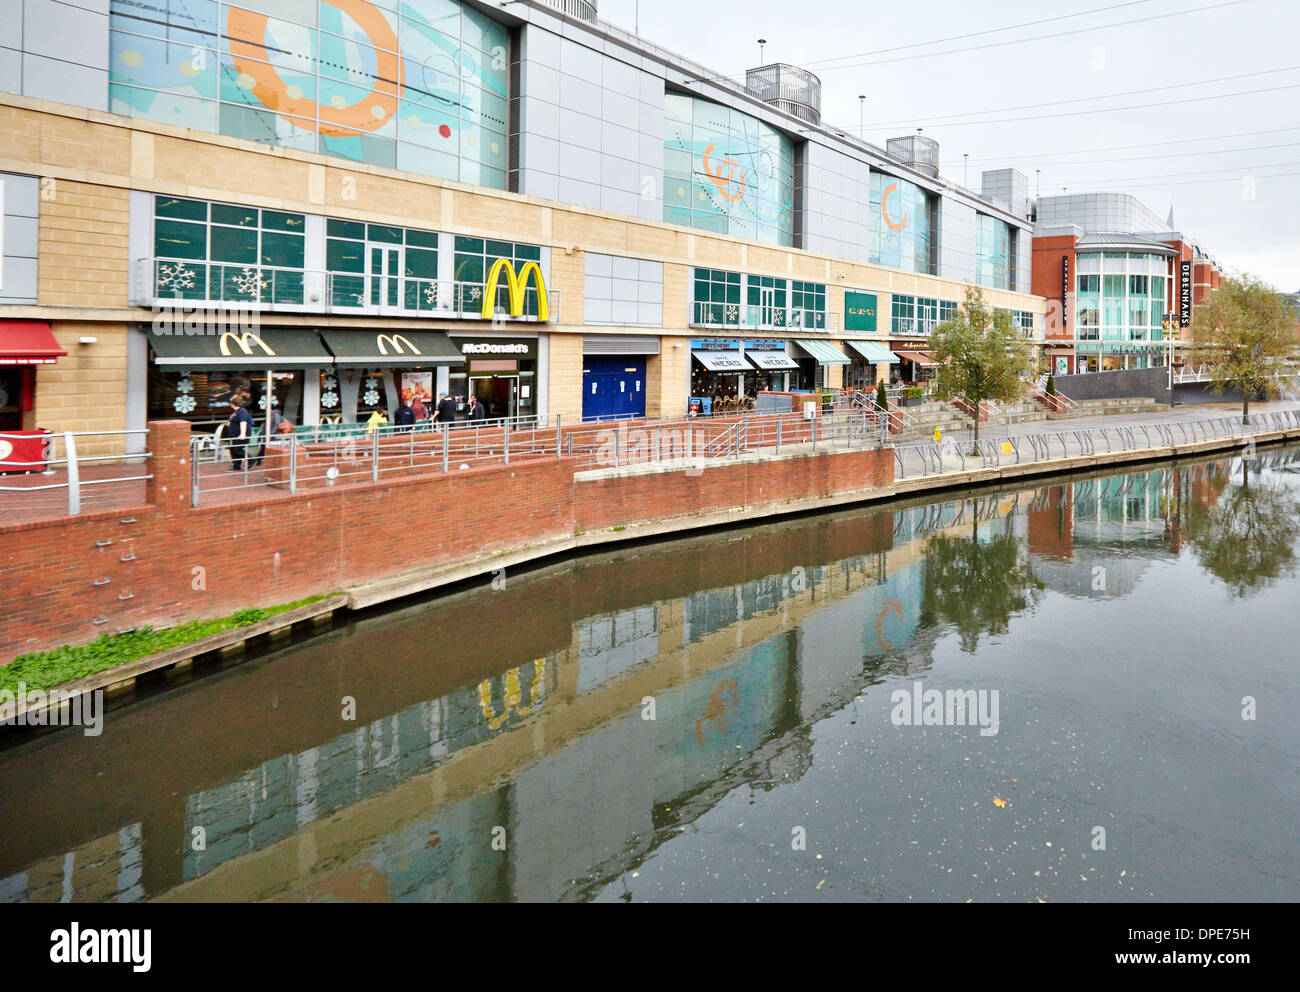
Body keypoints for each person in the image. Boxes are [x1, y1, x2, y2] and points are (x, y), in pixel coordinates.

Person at [227, 394, 253, 471]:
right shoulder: (237, 412)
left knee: (237, 449)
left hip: (239, 435)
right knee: (232, 449)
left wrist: (243, 434)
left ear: (233, 403)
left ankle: (251, 460)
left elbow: (243, 422)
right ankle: (236, 465)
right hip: (233, 434)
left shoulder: (242, 411)